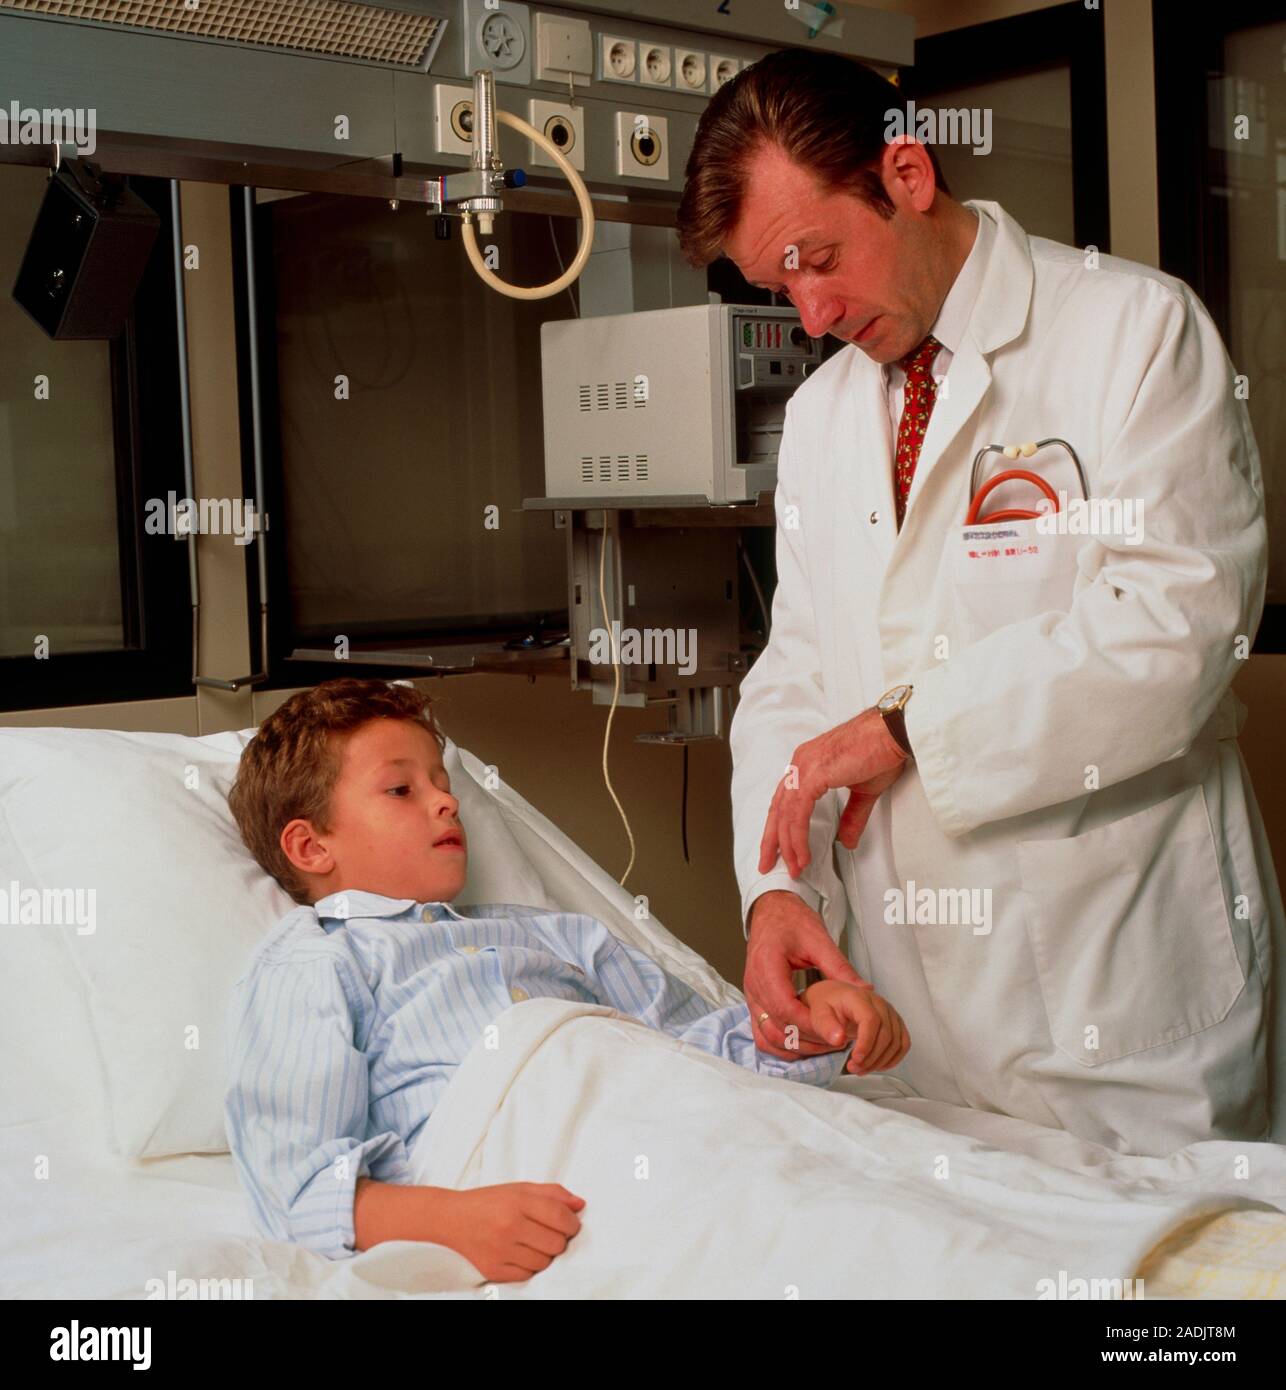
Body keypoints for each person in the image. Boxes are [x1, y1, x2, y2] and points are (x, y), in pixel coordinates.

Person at [676, 48, 1285, 1156]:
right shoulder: (821, 418)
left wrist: (907, 726)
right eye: (779, 286)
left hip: (1122, 1009)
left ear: (906, 175)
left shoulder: (1130, 332)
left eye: (819, 260)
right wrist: (777, 889)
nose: (811, 314)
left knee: (1171, 1261)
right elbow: (797, 668)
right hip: (912, 1025)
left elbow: (1177, 627)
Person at [222, 677, 907, 1283]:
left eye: (443, 784)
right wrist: (450, 1222)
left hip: (690, 1127)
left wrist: (808, 1023)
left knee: (870, 1217)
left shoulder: (559, 936)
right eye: (402, 790)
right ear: (311, 846)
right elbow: (297, 1184)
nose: (446, 804)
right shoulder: (315, 961)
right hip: (546, 1181)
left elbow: (696, 1051)